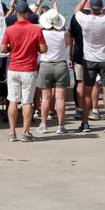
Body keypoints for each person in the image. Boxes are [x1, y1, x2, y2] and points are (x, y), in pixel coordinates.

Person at [0, 2, 48, 142]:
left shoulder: (10, 30)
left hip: (13, 68)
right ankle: (26, 132)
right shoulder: (36, 29)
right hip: (29, 69)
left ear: (16, 14)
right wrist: (35, 49)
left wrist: (11, 49)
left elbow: (2, 49)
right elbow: (44, 49)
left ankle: (12, 133)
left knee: (13, 100)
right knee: (27, 102)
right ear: (27, 13)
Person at [74, 0, 105, 133]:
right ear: (101, 8)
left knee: (87, 91)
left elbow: (76, 11)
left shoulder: (85, 20)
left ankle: (85, 123)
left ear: (91, 7)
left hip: (89, 59)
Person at [36, 7, 71, 135]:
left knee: (45, 98)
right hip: (61, 64)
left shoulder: (42, 33)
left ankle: (44, 124)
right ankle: (61, 126)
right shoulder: (64, 34)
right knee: (60, 99)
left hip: (46, 64)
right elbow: (67, 47)